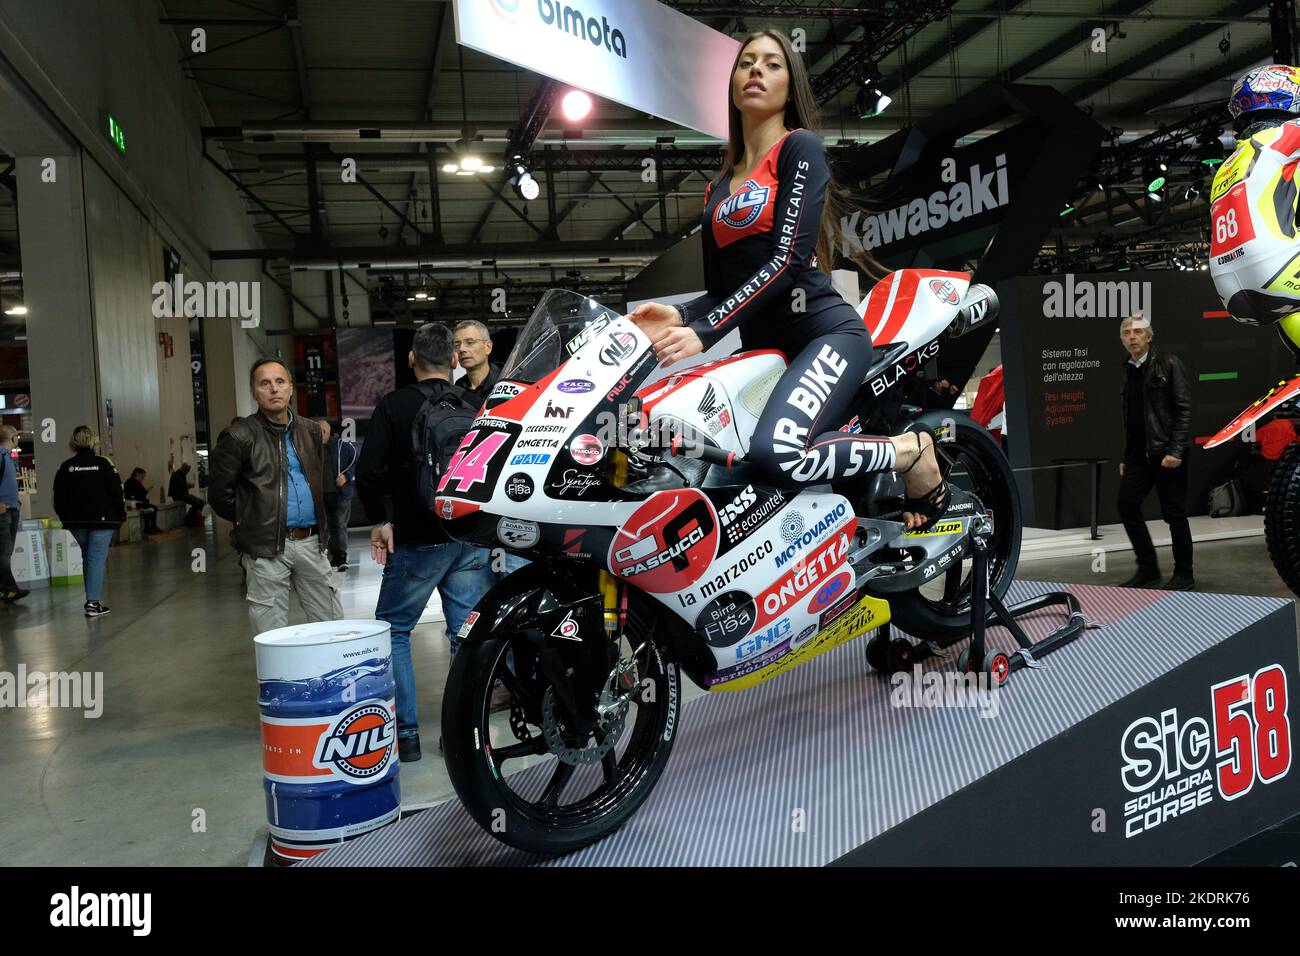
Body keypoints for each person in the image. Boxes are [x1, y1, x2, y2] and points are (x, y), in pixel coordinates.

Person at [625, 29, 949, 530]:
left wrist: (704, 331)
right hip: (764, 352)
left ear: (790, 87)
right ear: (732, 82)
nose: (756, 70)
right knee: (719, 466)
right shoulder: (718, 185)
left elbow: (787, 262)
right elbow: (723, 287)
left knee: (778, 453)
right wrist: (682, 313)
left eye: (772, 64)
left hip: (824, 336)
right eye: (746, 62)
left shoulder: (800, 149)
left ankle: (909, 450)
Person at [355, 323, 495, 762]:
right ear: (453, 360)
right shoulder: (474, 404)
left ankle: (408, 737)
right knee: (464, 634)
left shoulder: (393, 405)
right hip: (467, 537)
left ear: (411, 359)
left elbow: (369, 470)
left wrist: (381, 520)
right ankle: (460, 734)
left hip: (416, 540)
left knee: (395, 630)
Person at [209, 358, 343, 633]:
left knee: (331, 626)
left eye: (280, 382)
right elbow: (220, 495)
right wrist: (253, 520)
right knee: (272, 634)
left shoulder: (311, 431)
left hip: (311, 542)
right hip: (265, 549)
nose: (274, 389)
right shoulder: (238, 436)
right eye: (265, 383)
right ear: (253, 391)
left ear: (291, 388)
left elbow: (317, 481)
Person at [1209, 64, 1300, 354]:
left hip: (1232, 291)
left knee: (1287, 308)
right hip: (1277, 267)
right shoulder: (1285, 135)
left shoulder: (1227, 166)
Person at [1116, 315, 1195, 590]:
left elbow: (1183, 408)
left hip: (1166, 453)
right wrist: (1127, 457)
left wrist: (1175, 450)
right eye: (1127, 332)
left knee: (1174, 513)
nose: (1132, 336)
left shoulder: (1169, 364)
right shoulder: (1128, 369)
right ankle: (1148, 569)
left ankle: (1184, 573)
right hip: (1139, 455)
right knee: (1126, 505)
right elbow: (1132, 418)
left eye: (1138, 331)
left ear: (1149, 337)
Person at [52, 425, 126, 617]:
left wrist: (66, 518)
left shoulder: (66, 466)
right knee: (95, 558)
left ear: (73, 442)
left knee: (89, 557)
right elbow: (117, 492)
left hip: (76, 522)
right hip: (103, 520)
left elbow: (57, 499)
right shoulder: (104, 463)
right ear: (94, 441)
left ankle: (92, 599)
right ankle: (92, 603)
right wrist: (121, 515)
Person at [318, 419, 357, 571]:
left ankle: (341, 557)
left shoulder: (343, 447)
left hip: (340, 494)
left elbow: (355, 463)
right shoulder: (313, 449)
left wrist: (346, 476)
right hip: (321, 495)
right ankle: (331, 556)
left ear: (325, 432)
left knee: (339, 525)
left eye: (319, 432)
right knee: (325, 527)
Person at [0, 425, 28, 603]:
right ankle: (10, 588)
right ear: (12, 438)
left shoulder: (7, 456)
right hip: (4, 511)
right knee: (3, 552)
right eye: (16, 436)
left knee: (6, 552)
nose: (18, 439)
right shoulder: (1, 455)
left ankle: (5, 589)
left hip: (11, 508)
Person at [453, 319, 501, 410]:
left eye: (470, 343)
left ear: (488, 347)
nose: (462, 349)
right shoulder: (458, 387)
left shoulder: (504, 382)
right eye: (457, 345)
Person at [122, 467, 160, 535]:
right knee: (151, 508)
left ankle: (152, 526)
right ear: (137, 474)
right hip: (134, 504)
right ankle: (148, 527)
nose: (143, 478)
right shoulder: (130, 483)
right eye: (142, 476)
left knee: (153, 507)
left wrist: (147, 490)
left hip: (140, 502)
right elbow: (131, 495)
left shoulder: (137, 483)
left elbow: (142, 493)